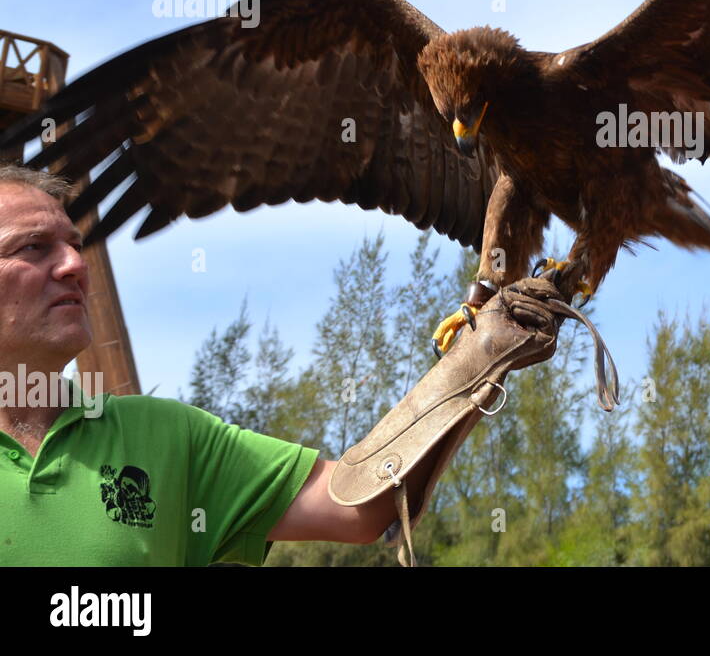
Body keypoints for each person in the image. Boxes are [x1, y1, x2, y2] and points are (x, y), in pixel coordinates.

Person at [0, 164, 433, 565]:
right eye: (34, 247)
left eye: (76, 245)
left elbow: (360, 506)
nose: (76, 264)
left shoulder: (169, 437)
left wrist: (474, 360)